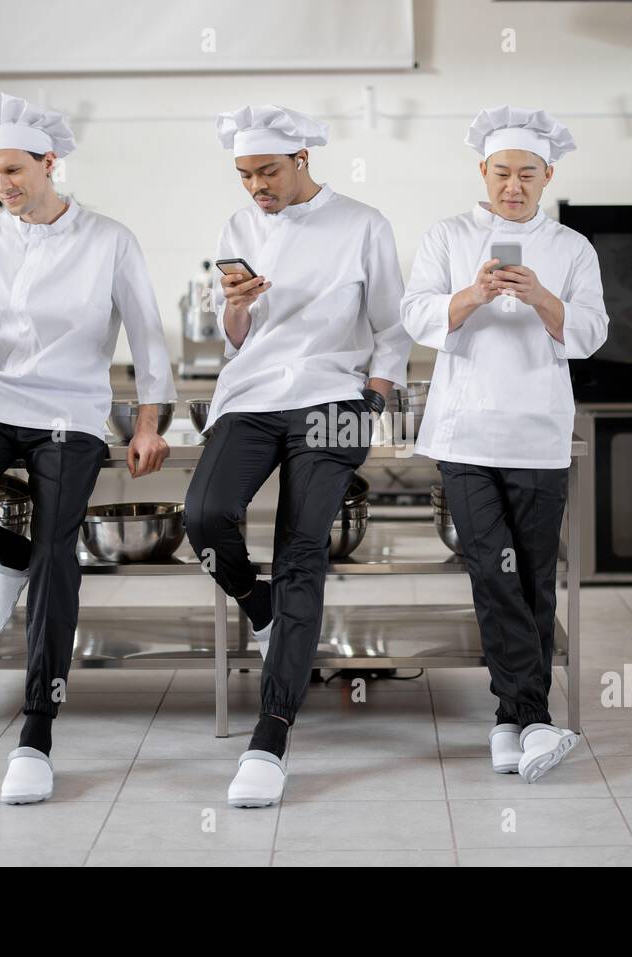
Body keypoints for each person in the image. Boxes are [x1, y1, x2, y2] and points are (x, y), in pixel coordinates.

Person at [0, 92, 176, 804]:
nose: (3, 186)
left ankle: (36, 728)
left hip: (70, 410)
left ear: (49, 162)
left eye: (14, 171)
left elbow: (148, 335)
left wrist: (149, 421)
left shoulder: (110, 239)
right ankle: (8, 554)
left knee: (62, 550)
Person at [184, 104, 413, 808]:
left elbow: (392, 325)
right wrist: (237, 306)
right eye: (245, 174)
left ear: (303, 157)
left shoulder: (364, 223)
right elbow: (233, 338)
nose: (256, 186)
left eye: (268, 171)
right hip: (251, 396)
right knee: (204, 514)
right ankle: (262, 608)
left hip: (334, 400)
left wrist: (373, 398)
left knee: (302, 546)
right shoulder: (239, 227)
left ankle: (272, 733)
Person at [400, 105, 610, 782]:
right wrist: (472, 295)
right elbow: (415, 314)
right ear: (482, 172)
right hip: (465, 430)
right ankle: (534, 717)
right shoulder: (449, 235)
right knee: (493, 569)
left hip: (539, 434)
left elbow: (591, 333)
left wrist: (543, 297)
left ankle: (510, 719)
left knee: (534, 578)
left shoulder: (573, 248)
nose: (512, 185)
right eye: (501, 172)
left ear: (548, 175)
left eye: (526, 174)